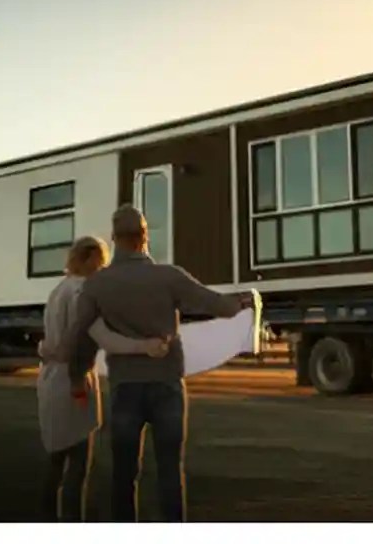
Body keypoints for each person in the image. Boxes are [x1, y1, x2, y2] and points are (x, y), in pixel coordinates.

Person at [53, 205, 252, 523]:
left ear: (115, 238)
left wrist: (78, 378)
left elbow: (81, 338)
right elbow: (215, 304)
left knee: (123, 475)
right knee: (170, 472)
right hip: (166, 385)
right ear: (144, 236)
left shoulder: (97, 285)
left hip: (124, 388)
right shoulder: (169, 277)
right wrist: (242, 301)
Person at [36, 235, 171, 523]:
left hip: (50, 379)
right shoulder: (82, 293)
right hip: (74, 383)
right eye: (99, 264)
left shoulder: (57, 290)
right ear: (85, 260)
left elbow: (51, 342)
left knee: (55, 460)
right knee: (78, 464)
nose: (102, 270)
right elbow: (101, 335)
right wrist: (143, 345)